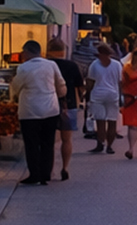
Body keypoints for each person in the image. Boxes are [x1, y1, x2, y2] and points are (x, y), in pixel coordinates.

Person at [10, 39, 66, 186]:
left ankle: (34, 174)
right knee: (48, 143)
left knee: (32, 144)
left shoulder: (23, 68)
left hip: (30, 111)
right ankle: (46, 173)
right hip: (50, 109)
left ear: (27, 52)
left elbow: (16, 87)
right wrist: (60, 96)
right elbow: (61, 84)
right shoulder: (51, 65)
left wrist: (13, 97)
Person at [46, 38, 84, 180]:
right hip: (69, 104)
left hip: (49, 103)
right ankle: (65, 167)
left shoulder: (46, 65)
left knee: (49, 140)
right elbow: (79, 86)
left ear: (48, 50)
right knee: (66, 139)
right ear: (63, 51)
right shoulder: (72, 66)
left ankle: (49, 170)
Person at [85, 42, 124, 154]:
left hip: (97, 95)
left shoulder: (94, 65)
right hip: (113, 95)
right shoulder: (117, 65)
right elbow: (120, 82)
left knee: (100, 121)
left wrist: (87, 94)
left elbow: (90, 82)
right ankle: (110, 146)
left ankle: (100, 144)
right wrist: (121, 95)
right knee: (112, 121)